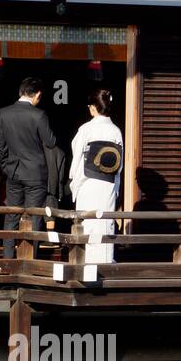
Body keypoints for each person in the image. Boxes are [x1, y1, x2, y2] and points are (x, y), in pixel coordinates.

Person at [0, 76, 57, 260]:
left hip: (13, 172)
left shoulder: (3, 113)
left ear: (20, 92)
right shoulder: (39, 115)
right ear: (37, 94)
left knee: (12, 215)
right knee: (34, 217)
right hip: (35, 174)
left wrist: (6, 167)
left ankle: (7, 259)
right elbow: (51, 141)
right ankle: (29, 260)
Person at [69, 87, 124, 264]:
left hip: (88, 182)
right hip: (107, 183)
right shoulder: (116, 131)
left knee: (88, 223)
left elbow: (77, 156)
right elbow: (119, 164)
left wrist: (74, 182)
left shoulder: (86, 129)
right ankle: (106, 262)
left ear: (93, 107)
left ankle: (86, 263)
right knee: (104, 223)